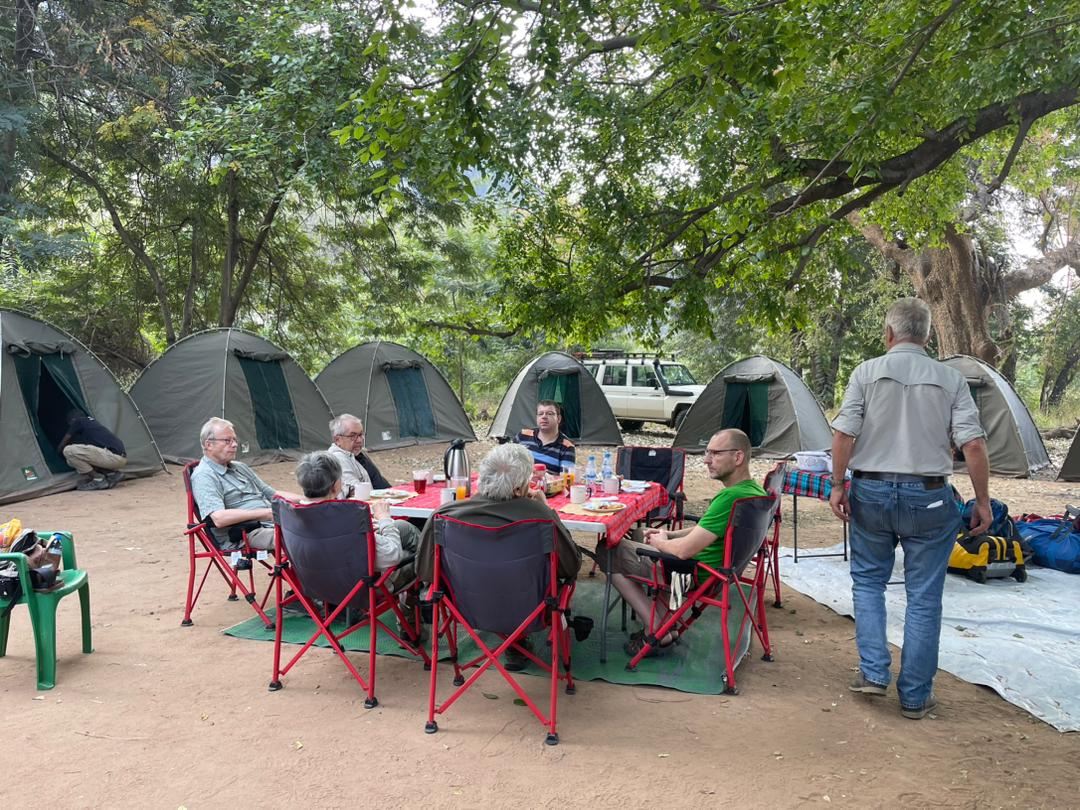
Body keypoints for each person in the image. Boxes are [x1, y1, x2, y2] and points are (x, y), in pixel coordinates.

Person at [829, 297, 992, 721]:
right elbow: (973, 443)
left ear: (888, 334)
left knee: (868, 583)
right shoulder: (950, 378)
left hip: (871, 491)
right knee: (924, 597)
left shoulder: (865, 373)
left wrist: (836, 485)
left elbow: (844, 434)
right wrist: (983, 501)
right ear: (928, 336)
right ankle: (916, 697)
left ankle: (874, 673)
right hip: (931, 496)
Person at [597, 428, 765, 658]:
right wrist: (667, 535)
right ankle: (667, 621)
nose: (706, 460)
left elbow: (685, 551)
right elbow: (705, 530)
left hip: (693, 574)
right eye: (707, 453)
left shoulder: (728, 498)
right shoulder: (753, 491)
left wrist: (661, 542)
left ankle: (657, 628)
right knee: (639, 535)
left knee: (606, 549)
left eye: (715, 454)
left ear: (738, 457)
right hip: (717, 571)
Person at [417, 442, 582, 670]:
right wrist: (547, 510)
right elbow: (570, 566)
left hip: (465, 609)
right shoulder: (540, 518)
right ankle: (520, 642)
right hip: (531, 610)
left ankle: (513, 642)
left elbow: (425, 571)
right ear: (518, 490)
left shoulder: (443, 516)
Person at [294, 452, 421, 631]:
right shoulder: (346, 517)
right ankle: (413, 623)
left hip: (315, 584)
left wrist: (372, 533)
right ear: (336, 485)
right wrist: (384, 519)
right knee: (420, 556)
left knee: (404, 528)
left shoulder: (292, 514)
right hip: (362, 587)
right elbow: (392, 556)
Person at [189, 417, 302, 551]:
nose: (235, 444)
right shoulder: (204, 475)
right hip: (246, 533)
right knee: (304, 536)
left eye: (235, 440)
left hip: (272, 523)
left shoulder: (240, 467)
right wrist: (264, 513)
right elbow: (218, 518)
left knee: (318, 526)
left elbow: (273, 494)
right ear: (209, 445)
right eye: (227, 440)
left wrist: (308, 500)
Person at [59, 410, 127, 491]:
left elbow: (64, 442)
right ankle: (111, 473)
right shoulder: (92, 424)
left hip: (112, 457)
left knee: (68, 451)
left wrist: (58, 453)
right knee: (71, 460)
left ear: (72, 420)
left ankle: (98, 479)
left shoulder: (79, 421)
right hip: (120, 458)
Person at [325, 414, 391, 490]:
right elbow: (358, 491)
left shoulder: (357, 454)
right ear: (337, 440)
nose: (359, 440)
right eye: (353, 436)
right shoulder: (338, 460)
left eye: (360, 435)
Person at [517, 400, 576, 474]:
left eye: (550, 414)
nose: (544, 416)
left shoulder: (567, 446)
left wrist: (544, 477)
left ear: (559, 419)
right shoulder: (523, 435)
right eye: (540, 414)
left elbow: (566, 479)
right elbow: (508, 461)